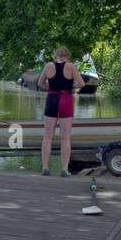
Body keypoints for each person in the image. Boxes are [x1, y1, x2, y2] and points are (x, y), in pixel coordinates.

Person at [38, 46, 82, 176]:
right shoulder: (71, 66)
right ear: (67, 56)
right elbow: (81, 84)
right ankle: (64, 169)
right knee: (65, 138)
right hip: (66, 100)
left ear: (55, 55)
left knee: (47, 137)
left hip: (51, 99)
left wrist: (50, 88)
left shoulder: (48, 66)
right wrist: (71, 86)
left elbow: (40, 84)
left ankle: (45, 168)